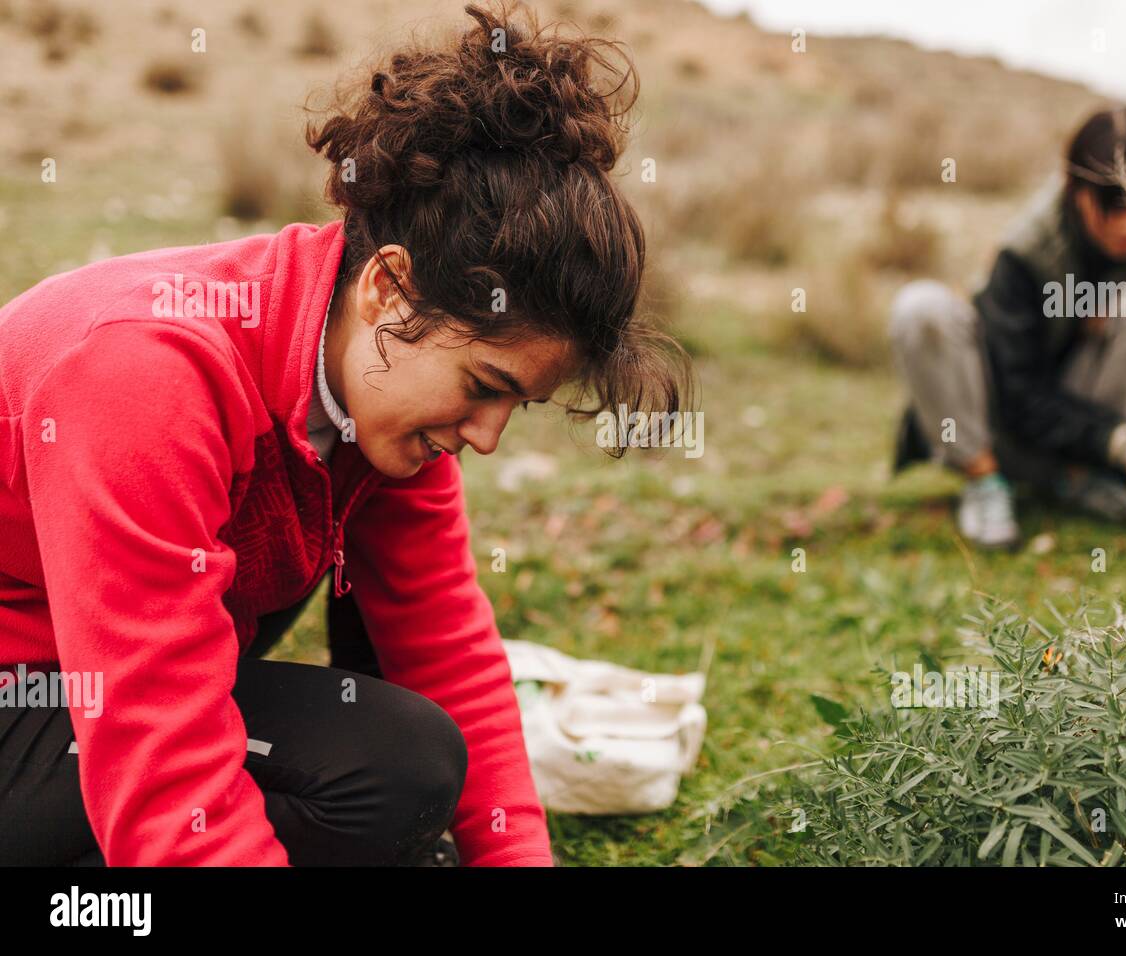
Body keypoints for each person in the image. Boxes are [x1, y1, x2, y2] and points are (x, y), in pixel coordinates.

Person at [0, 1, 686, 866]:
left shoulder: (375, 392)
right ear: (390, 291)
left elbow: (440, 636)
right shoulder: (143, 375)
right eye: (486, 388)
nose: (487, 439)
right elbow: (160, 741)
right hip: (28, 694)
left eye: (519, 408)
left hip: (89, 681)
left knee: (405, 762)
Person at [888, 105, 1126, 551]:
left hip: (1098, 433)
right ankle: (987, 483)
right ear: (1077, 191)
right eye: (1111, 206)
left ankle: (1076, 475)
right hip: (1005, 427)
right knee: (920, 309)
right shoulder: (1026, 252)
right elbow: (1019, 394)